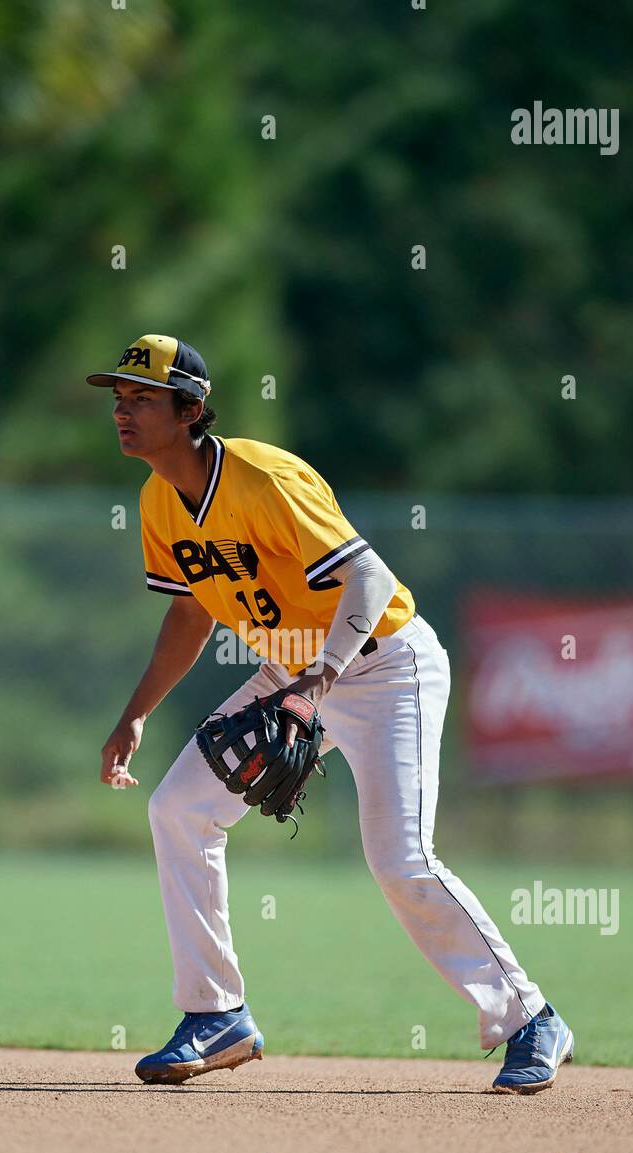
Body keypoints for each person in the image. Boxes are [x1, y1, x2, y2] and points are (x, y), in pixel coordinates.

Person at [88, 333, 574, 1095]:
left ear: (191, 410)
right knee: (178, 809)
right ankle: (216, 1015)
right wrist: (136, 713)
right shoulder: (158, 499)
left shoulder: (263, 477)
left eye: (141, 398)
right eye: (118, 398)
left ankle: (530, 1018)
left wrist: (317, 682)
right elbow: (190, 615)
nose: (122, 410)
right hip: (293, 672)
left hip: (385, 666)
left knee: (399, 857)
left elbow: (371, 579)